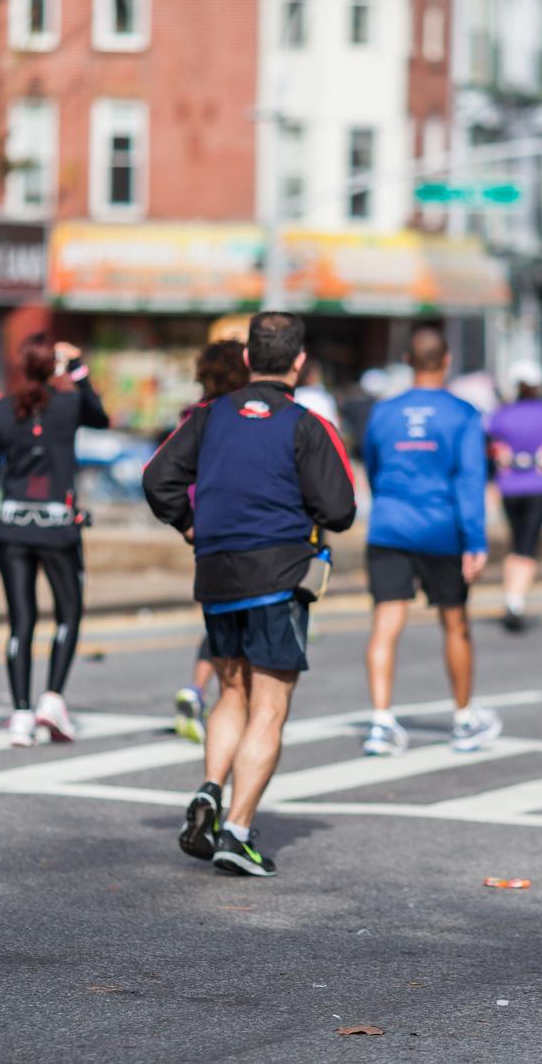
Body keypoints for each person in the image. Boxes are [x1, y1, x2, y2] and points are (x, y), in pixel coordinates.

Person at [143, 311, 356, 876]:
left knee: (230, 691)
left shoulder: (209, 416)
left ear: (247, 358)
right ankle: (236, 833)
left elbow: (156, 478)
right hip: (278, 574)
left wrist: (190, 524)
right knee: (270, 704)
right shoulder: (307, 424)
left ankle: (211, 788)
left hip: (216, 573)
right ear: (299, 362)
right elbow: (340, 509)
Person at [360, 326, 496, 758]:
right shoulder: (463, 413)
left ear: (407, 360)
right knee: (455, 623)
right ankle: (463, 720)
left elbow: (372, 464)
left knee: (385, 623)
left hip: (389, 526)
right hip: (442, 530)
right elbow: (470, 481)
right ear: (447, 360)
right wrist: (475, 541)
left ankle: (381, 722)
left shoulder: (383, 411)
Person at [0, 336, 108, 747]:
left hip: (12, 525)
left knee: (20, 622)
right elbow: (101, 417)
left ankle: (20, 714)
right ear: (53, 367)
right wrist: (78, 369)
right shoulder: (68, 405)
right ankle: (52, 699)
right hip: (57, 525)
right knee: (68, 614)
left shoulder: (2, 409)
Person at [171, 339, 251, 743]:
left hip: (206, 533)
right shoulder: (245, 418)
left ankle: (198, 690)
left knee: (218, 618)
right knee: (247, 626)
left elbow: (161, 476)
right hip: (247, 530)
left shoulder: (193, 417)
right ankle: (234, 706)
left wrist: (187, 523)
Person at [487, 360, 542, 632]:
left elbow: (488, 448)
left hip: (509, 486)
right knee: (527, 546)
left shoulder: (502, 415)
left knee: (516, 541)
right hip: (538, 486)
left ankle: (511, 594)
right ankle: (515, 601)